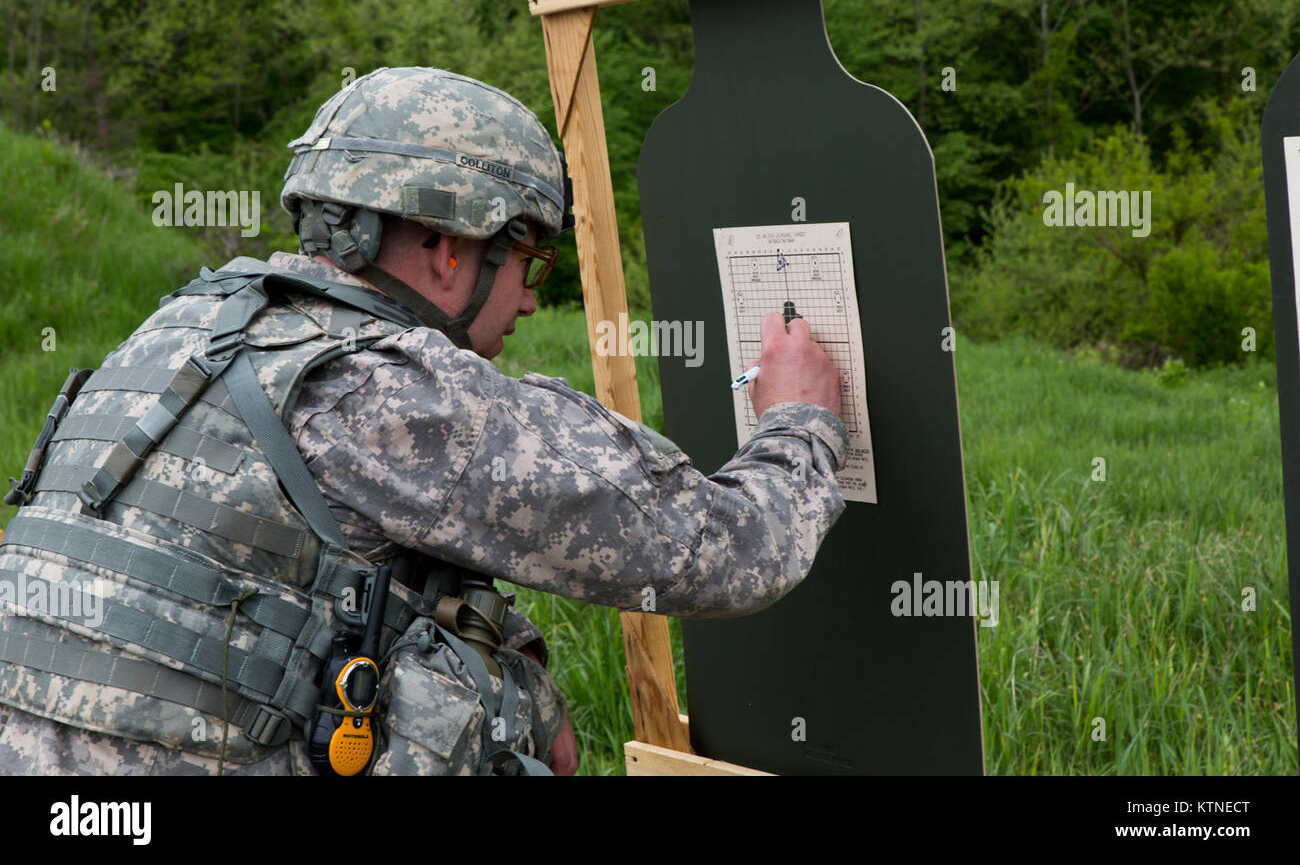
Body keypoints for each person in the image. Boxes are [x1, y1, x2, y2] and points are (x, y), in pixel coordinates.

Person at [0, 66, 847, 776]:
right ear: (451, 251)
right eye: (529, 261)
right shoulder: (395, 393)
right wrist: (799, 418)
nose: (531, 299)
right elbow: (733, 550)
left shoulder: (178, 331)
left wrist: (510, 660)